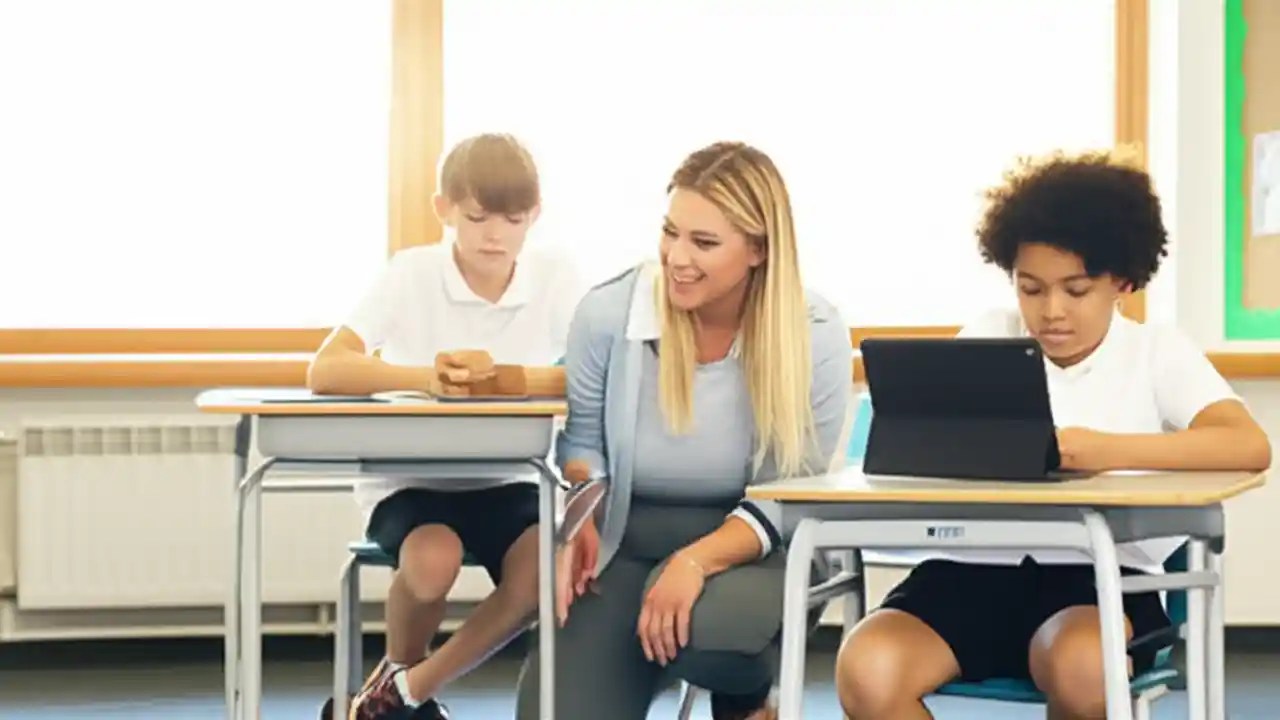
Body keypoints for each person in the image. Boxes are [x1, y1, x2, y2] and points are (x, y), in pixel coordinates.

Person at [835, 149, 1273, 720]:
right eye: (1032, 288)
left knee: (1085, 667)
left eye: (1076, 289)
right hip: (968, 574)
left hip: (1097, 581)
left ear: (1121, 280)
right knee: (865, 668)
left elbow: (1247, 445)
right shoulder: (990, 335)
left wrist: (1103, 451)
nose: (1052, 312)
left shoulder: (1154, 350)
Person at [513, 141, 855, 720]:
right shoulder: (607, 314)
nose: (676, 257)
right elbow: (583, 445)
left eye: (703, 242)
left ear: (758, 250)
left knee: (713, 641)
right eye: (670, 232)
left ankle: (745, 701)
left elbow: (794, 494)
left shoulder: (814, 333)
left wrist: (694, 562)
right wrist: (582, 515)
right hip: (627, 543)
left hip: (754, 545)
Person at [307, 133, 583, 720]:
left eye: (512, 219)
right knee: (434, 559)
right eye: (477, 216)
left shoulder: (555, 277)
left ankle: (404, 692)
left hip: (511, 479)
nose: (494, 235)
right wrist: (428, 377)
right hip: (411, 482)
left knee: (541, 570)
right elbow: (326, 367)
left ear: (534, 216)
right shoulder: (412, 273)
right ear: (444, 210)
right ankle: (400, 681)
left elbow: (591, 373)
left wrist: (507, 379)